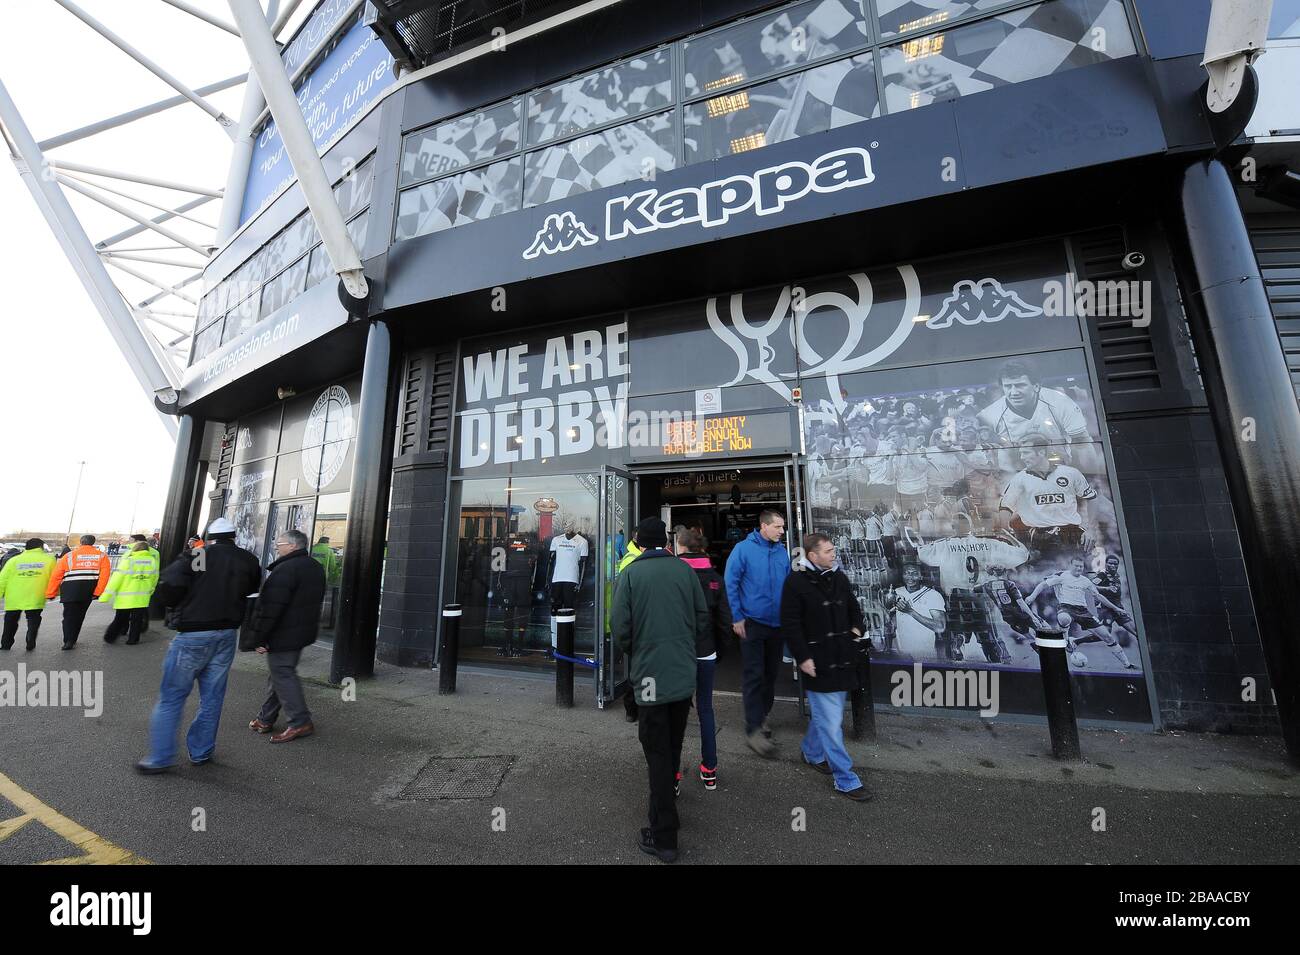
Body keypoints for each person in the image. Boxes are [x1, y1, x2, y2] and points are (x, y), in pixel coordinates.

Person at [612, 518, 707, 863]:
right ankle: (664, 811)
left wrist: (635, 650)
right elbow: (701, 618)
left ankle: (665, 836)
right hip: (682, 675)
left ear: (638, 541)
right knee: (672, 745)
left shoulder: (632, 575)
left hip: (650, 677)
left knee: (656, 752)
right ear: (665, 541)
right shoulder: (684, 571)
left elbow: (619, 627)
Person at [137, 517, 262, 774]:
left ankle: (160, 757)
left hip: (193, 634)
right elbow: (250, 590)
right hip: (227, 633)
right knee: (212, 698)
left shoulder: (201, 555)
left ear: (210, 537)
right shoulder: (247, 559)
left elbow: (170, 587)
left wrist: (179, 602)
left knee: (172, 697)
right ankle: (202, 751)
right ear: (233, 536)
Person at [781, 534, 871, 801]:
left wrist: (856, 630)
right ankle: (845, 779)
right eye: (829, 551)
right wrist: (803, 657)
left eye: (833, 550)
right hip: (817, 662)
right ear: (812, 556)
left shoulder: (839, 577)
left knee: (828, 716)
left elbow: (854, 608)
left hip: (843, 658)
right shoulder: (795, 582)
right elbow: (790, 624)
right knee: (832, 723)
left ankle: (811, 752)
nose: (834, 554)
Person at [247, 529, 326, 743]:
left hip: (284, 633)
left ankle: (300, 722)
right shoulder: (315, 567)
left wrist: (259, 638)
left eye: (280, 542)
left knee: (282, 674)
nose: (276, 546)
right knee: (280, 674)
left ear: (293, 546)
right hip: (301, 632)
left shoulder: (285, 570)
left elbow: (271, 608)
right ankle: (265, 718)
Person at [724, 509, 790, 757]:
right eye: (778, 527)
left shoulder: (782, 551)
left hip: (777, 625)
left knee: (771, 675)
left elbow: (788, 583)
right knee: (754, 674)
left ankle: (762, 716)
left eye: (782, 527)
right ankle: (753, 730)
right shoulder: (743, 549)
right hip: (752, 623)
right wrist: (737, 617)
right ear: (763, 526)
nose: (782, 531)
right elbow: (730, 583)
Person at [677, 530, 731, 792]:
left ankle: (673, 774)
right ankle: (710, 769)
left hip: (678, 653)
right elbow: (724, 621)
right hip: (706, 651)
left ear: (682, 547)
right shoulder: (715, 580)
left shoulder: (674, 575)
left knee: (675, 713)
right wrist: (719, 651)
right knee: (705, 709)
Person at [45, 534, 111, 649]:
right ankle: (73, 638)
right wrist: (97, 592)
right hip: (88, 590)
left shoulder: (69, 555)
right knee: (80, 615)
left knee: (69, 616)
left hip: (70, 589)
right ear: (93, 543)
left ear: (81, 542)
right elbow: (104, 577)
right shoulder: (101, 556)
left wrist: (51, 592)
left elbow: (56, 575)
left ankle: (68, 640)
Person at [98, 540, 159, 645]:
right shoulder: (152, 561)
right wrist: (151, 590)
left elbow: (116, 579)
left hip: (125, 596)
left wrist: (106, 596)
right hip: (142, 595)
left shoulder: (128, 561)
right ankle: (133, 639)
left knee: (120, 619)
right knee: (137, 620)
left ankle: (110, 637)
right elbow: (154, 578)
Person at [0, 539, 55, 651]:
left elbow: (2, 579)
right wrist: (53, 593)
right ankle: (31, 639)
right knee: (33, 619)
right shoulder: (49, 560)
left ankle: (6, 644)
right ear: (41, 547)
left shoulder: (14, 560)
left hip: (14, 596)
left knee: (10, 621)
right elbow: (54, 578)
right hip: (36, 595)